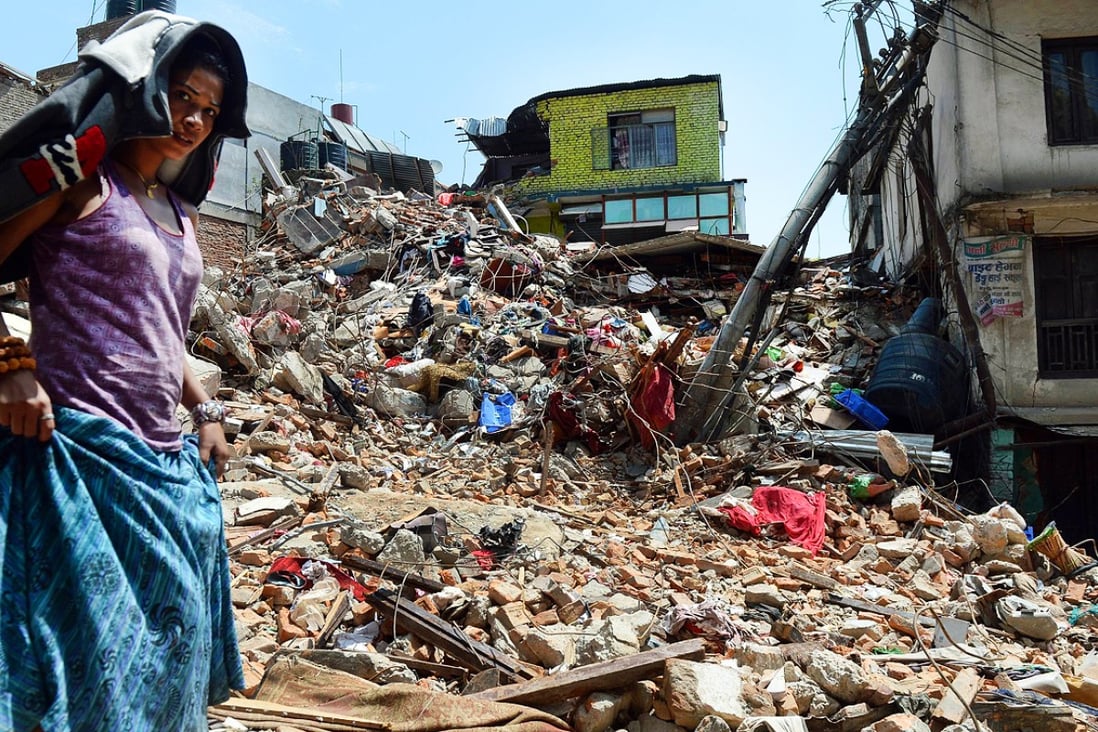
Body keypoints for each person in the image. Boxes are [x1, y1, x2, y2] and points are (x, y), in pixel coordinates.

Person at [0, 11, 249, 731]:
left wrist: (204, 407)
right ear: (145, 90)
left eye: (209, 110)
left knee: (173, 646)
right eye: (183, 96)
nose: (194, 120)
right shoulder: (80, 185)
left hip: (163, 461)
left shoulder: (180, 211)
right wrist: (10, 365)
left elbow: (162, 329)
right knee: (86, 655)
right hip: (77, 455)